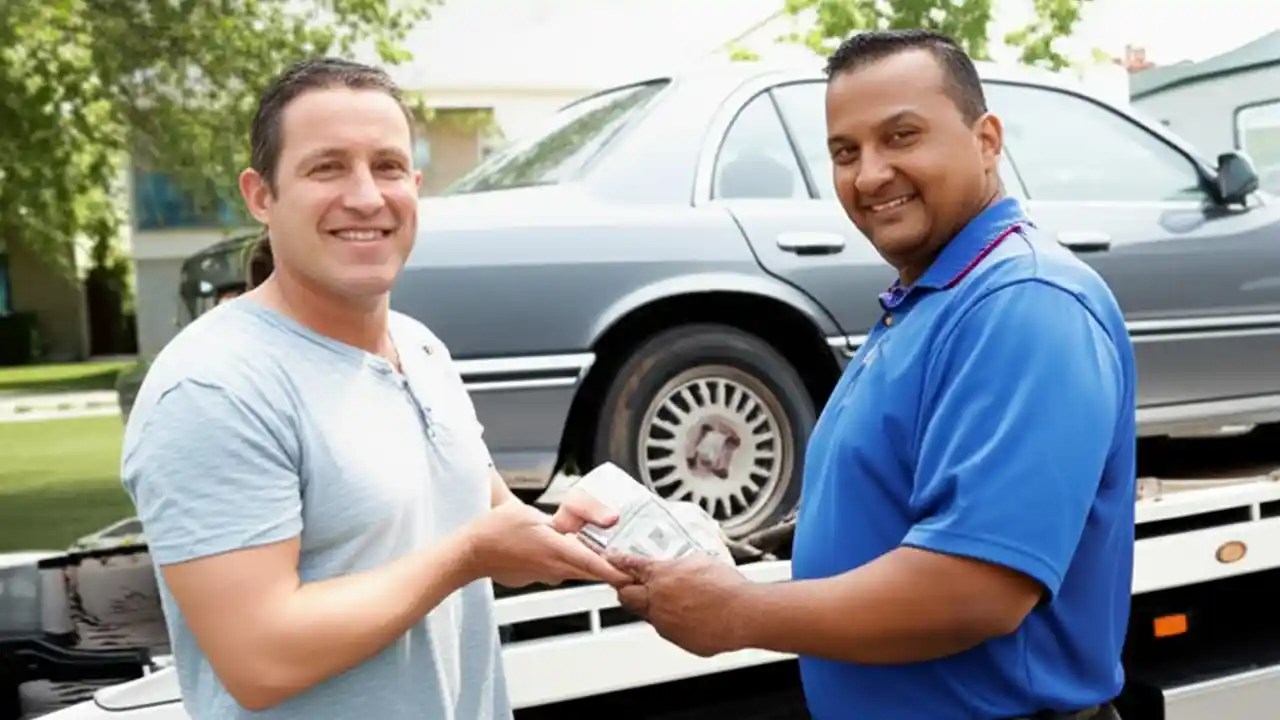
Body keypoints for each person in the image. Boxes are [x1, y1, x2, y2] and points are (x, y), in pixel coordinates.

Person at [605, 29, 1137, 720]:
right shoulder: (933, 298)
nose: (869, 175)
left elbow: (977, 591)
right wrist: (723, 548)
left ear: (987, 139)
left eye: (902, 136)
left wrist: (740, 614)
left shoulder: (1026, 301)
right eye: (844, 151)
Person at [121, 57, 629, 720]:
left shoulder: (421, 349)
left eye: (387, 166)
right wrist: (469, 556)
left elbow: (489, 525)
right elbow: (259, 658)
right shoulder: (214, 388)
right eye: (326, 167)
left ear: (416, 186)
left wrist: (570, 532)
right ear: (260, 195)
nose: (365, 196)